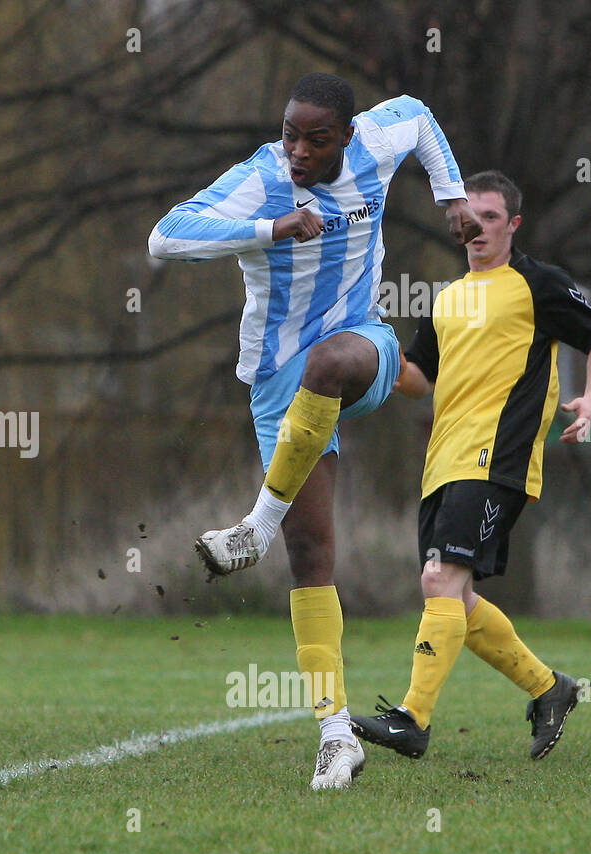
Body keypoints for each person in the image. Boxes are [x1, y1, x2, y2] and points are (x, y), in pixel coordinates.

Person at [148, 73, 482, 790]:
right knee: (312, 552)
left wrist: (450, 193)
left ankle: (253, 527)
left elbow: (421, 113)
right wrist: (268, 229)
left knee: (331, 360)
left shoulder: (377, 142)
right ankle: (336, 735)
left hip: (361, 345)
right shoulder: (263, 179)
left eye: (316, 139)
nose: (298, 150)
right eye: (290, 134)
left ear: (349, 136)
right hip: (277, 381)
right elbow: (164, 236)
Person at [351, 170, 591, 760]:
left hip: (498, 457)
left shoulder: (537, 285)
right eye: (468, 218)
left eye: (490, 217)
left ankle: (411, 720)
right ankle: (551, 688)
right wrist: (374, 354)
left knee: (440, 581)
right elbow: (420, 381)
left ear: (512, 224)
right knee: (456, 600)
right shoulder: (446, 298)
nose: (476, 227)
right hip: (443, 460)